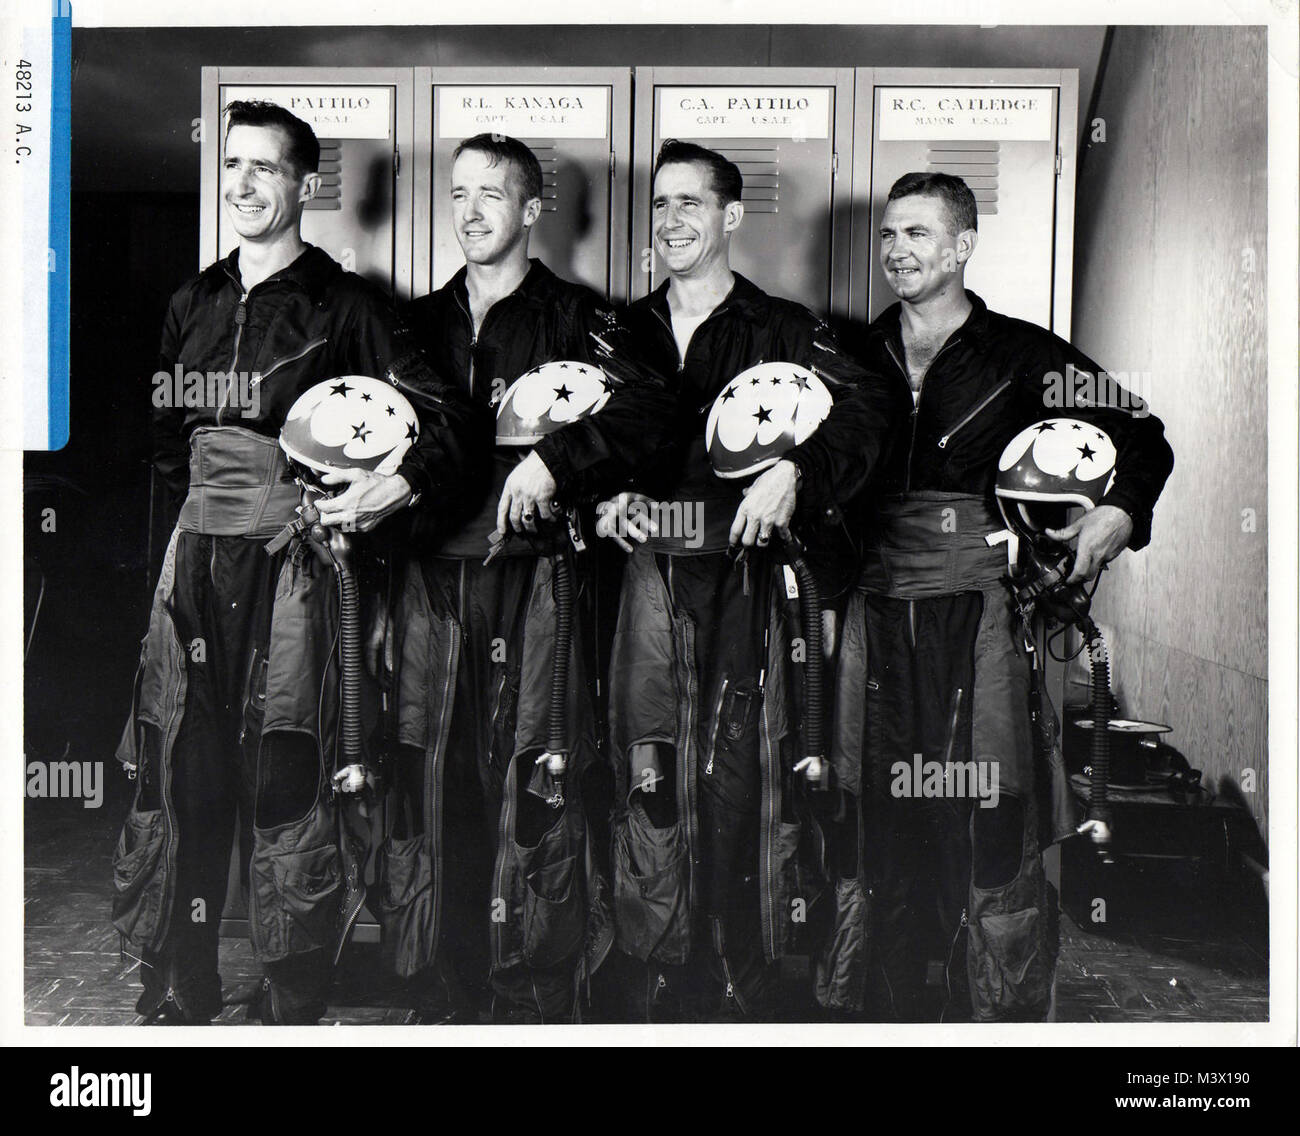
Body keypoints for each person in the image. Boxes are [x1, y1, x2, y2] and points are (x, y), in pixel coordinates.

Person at [111, 100, 478, 1025]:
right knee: (185, 767)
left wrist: (376, 496)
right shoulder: (190, 303)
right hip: (194, 566)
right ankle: (182, 973)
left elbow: (446, 422)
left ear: (303, 185)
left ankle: (293, 977)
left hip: (296, 570)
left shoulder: (348, 305)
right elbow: (164, 442)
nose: (242, 183)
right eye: (231, 165)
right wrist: (200, 529)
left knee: (285, 767)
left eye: (264, 168)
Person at [831, 171, 1174, 1021]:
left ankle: (997, 1012)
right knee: (875, 809)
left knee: (987, 810)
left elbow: (1142, 433)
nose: (897, 250)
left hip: (979, 611)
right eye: (887, 235)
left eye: (916, 234)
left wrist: (1117, 516)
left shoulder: (1024, 355)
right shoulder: (851, 354)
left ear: (961, 247)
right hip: (873, 607)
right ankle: (886, 1007)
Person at [598, 140, 898, 1020]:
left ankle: (745, 968)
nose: (671, 221)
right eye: (660, 204)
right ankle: (662, 963)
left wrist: (798, 470)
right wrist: (602, 497)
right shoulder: (623, 332)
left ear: (731, 217)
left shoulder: (782, 327)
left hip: (750, 578)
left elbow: (871, 407)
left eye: (691, 203)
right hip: (652, 575)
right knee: (652, 763)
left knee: (743, 767)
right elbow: (584, 436)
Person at [381, 133, 671, 1023]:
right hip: (433, 584)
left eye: (492, 195)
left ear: (532, 209)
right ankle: (445, 987)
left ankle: (536, 991)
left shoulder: (581, 318)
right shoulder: (417, 323)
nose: (470, 211)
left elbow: (656, 405)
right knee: (435, 785)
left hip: (539, 584)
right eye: (458, 193)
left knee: (539, 784)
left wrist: (558, 459)